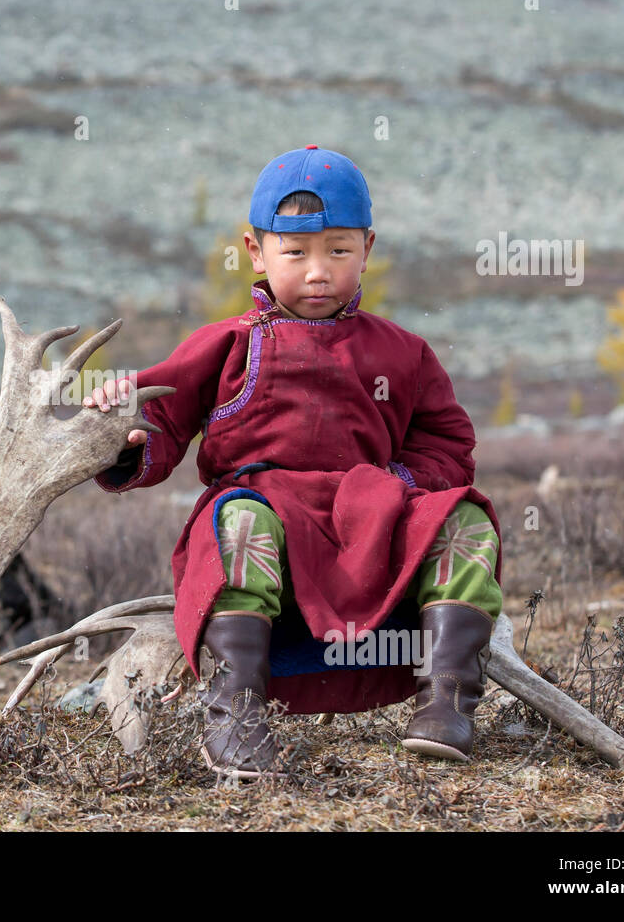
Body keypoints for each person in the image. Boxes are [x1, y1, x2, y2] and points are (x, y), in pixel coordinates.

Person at [84, 146, 504, 778]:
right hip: (263, 512)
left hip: (369, 516)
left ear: (367, 246)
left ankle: (446, 700)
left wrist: (401, 485)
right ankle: (235, 711)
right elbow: (161, 417)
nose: (317, 273)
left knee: (465, 520)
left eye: (338, 251)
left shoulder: (404, 354)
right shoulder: (226, 344)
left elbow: (447, 445)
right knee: (238, 525)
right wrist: (127, 438)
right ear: (255, 251)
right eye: (295, 252)